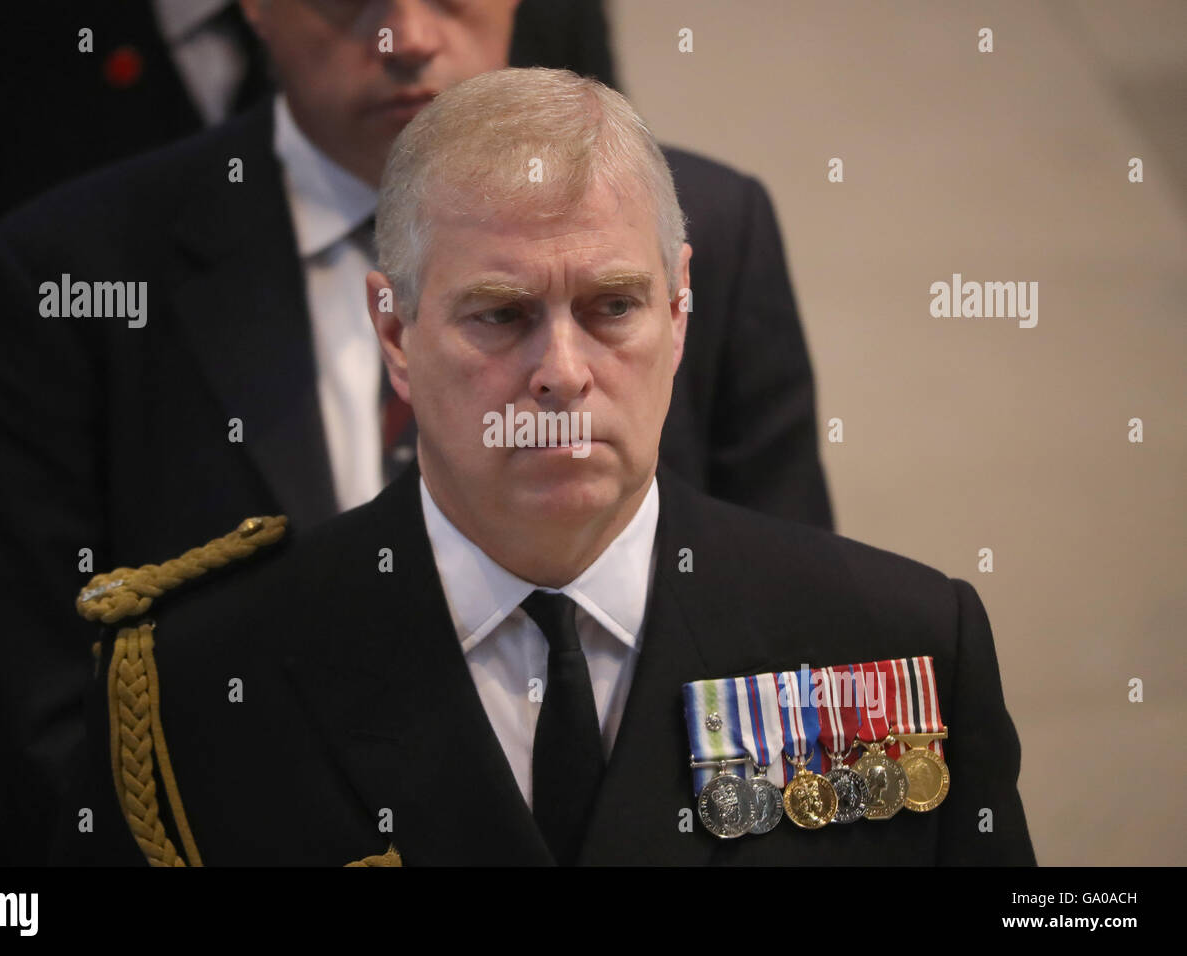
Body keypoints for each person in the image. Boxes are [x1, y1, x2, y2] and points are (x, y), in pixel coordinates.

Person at [58, 68, 1032, 867]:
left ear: (681, 308)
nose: (562, 372)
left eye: (613, 307)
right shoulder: (205, 679)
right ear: (394, 331)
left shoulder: (891, 643)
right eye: (500, 315)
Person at [0, 0, 830, 863]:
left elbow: (785, 633)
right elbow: (48, 711)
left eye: (610, 306)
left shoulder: (711, 226)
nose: (405, 35)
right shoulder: (76, 270)